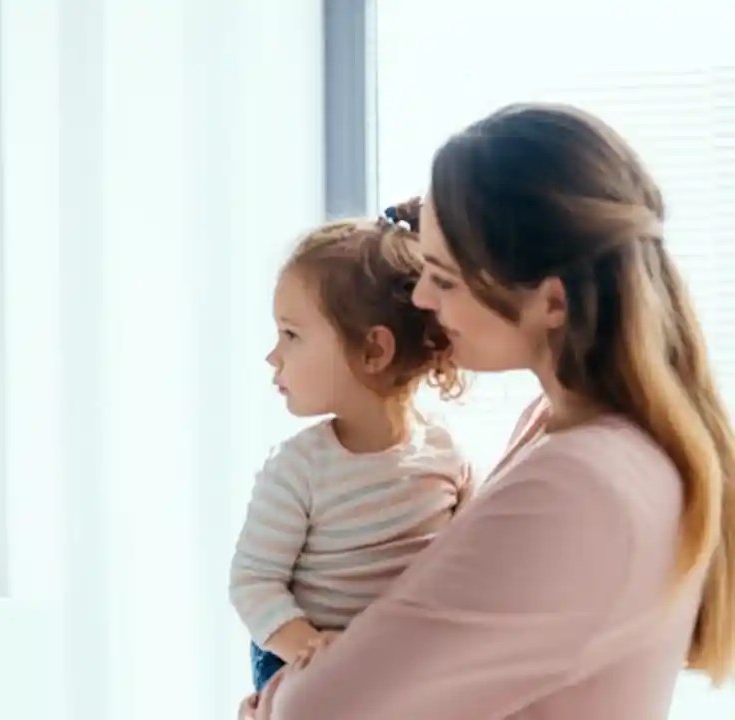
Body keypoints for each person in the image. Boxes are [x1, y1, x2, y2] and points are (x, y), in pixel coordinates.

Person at [240, 103, 735, 719]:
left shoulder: (580, 484)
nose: (422, 299)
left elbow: (319, 712)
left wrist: (271, 703)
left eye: (444, 280)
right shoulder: (556, 427)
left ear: (551, 303)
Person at [230, 207, 472, 692]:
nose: (273, 356)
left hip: (399, 671)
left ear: (373, 351)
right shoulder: (297, 470)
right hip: (306, 666)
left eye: (291, 335)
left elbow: (471, 564)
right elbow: (253, 582)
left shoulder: (446, 455)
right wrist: (312, 650)